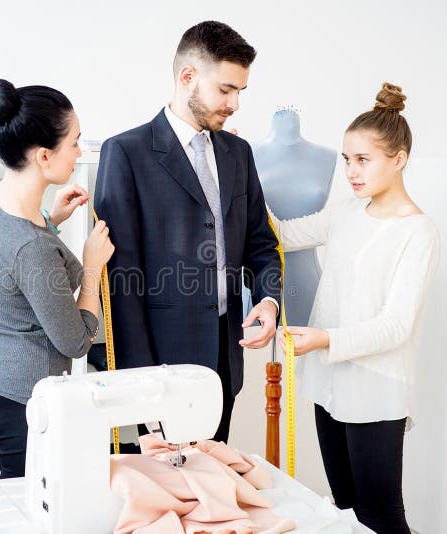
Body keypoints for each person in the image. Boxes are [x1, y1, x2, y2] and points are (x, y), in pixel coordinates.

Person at [94, 21, 281, 444]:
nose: (234, 104)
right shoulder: (125, 153)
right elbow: (121, 278)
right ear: (188, 77)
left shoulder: (239, 153)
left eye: (240, 93)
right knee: (167, 496)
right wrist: (141, 382)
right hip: (160, 365)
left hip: (224, 358)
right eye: (226, 90)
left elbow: (261, 243)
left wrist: (269, 300)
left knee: (212, 490)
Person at [273, 83, 439, 532]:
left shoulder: (418, 232)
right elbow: (285, 236)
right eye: (347, 160)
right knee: (343, 510)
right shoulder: (348, 210)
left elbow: (396, 326)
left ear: (399, 159)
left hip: (375, 389)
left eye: (363, 160)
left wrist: (325, 338)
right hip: (329, 379)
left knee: (381, 516)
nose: (351, 171)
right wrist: (239, 195)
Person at [0, 79, 114, 478]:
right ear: (45, 156)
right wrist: (92, 268)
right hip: (21, 405)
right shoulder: (33, 248)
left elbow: (13, 261)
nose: (80, 151)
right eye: (75, 142)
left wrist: (52, 219)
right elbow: (77, 341)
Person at [243, 108, 336, 326]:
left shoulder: (327, 156)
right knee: (260, 357)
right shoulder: (245, 155)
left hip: (308, 282)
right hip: (258, 282)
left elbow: (283, 232)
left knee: (309, 357)